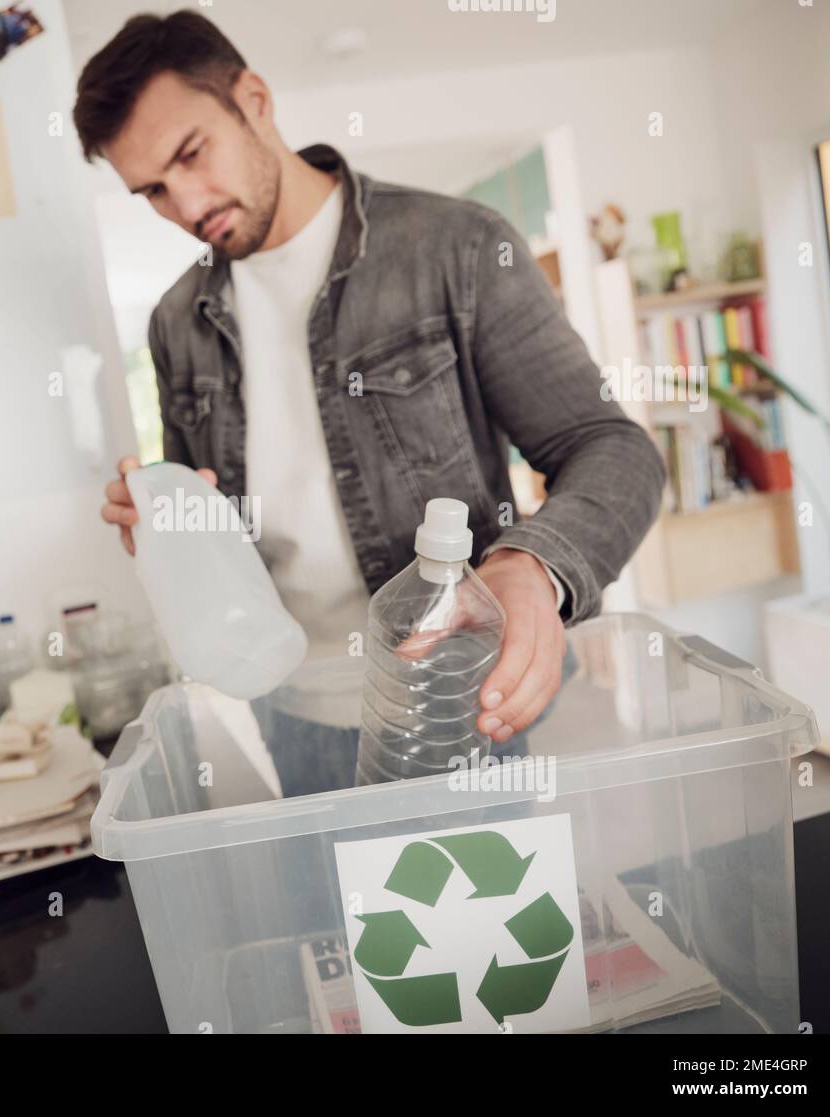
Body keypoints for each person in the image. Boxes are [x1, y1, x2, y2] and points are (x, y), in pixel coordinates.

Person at [76, 12, 664, 769]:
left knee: (488, 890)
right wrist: (170, 523)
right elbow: (219, 524)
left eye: (192, 154)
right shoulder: (174, 324)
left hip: (463, 698)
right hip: (294, 715)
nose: (186, 207)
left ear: (253, 99)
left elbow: (612, 447)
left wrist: (528, 566)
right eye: (152, 190)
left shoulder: (456, 248)